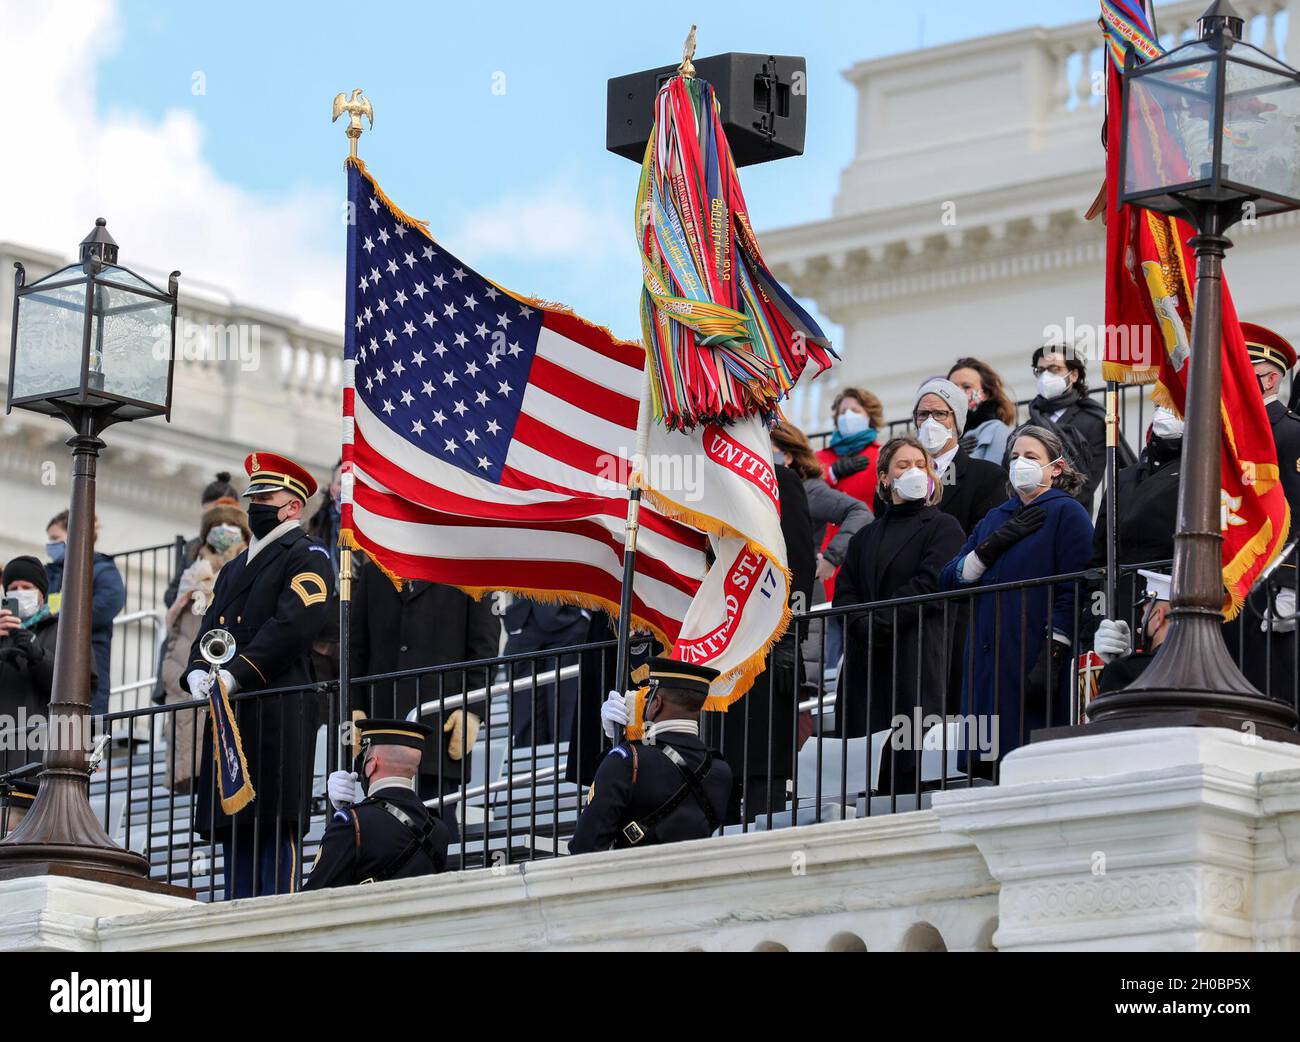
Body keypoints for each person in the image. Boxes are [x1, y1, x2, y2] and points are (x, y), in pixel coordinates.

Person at [183, 451, 333, 899]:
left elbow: (292, 626)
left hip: (277, 707)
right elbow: (208, 628)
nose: (256, 505)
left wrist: (235, 675)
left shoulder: (308, 556)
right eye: (254, 496)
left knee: (273, 826)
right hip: (234, 715)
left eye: (267, 496)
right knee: (237, 834)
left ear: (293, 507)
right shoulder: (231, 570)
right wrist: (196, 671)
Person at [941, 425, 1094, 768]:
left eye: (1030, 456)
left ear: (1056, 468)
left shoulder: (1068, 513)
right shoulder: (995, 518)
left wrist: (1053, 654)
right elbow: (950, 579)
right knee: (985, 766)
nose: (1020, 463)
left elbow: (1075, 590)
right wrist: (988, 549)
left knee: (1026, 757)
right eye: (1014, 457)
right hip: (985, 662)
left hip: (1031, 657)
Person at [833, 437, 965, 792]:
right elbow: (844, 593)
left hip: (915, 655)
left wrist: (879, 621)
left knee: (909, 759)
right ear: (885, 479)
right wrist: (863, 625)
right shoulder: (865, 536)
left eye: (920, 465)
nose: (914, 472)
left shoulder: (943, 526)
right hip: (867, 662)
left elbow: (932, 583)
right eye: (903, 466)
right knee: (865, 763)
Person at [349, 556, 500, 834]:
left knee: (437, 827)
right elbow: (355, 648)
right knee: (382, 829)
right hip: (384, 727)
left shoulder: (472, 569)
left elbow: (484, 650)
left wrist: (472, 709)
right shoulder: (374, 572)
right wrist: (354, 706)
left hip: (439, 729)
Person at [718, 460, 816, 824]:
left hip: (769, 648)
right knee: (716, 776)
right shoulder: (703, 479)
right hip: (718, 650)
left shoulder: (778, 479)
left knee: (766, 774)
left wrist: (789, 633)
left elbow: (800, 561)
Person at [574, 658, 732, 853]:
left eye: (648, 698)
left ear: (656, 703)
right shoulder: (720, 769)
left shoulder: (627, 760)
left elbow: (585, 845)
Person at [1225, 322, 1300, 702]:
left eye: (1245, 373)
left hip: (1271, 588)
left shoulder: (1290, 433)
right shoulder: (1228, 435)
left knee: (1274, 695)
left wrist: (1291, 583)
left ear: (1271, 379)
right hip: (1231, 583)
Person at [159, 501, 249, 793]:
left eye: (233, 527)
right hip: (189, 669)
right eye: (218, 527)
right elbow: (175, 632)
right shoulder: (190, 577)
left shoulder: (247, 570)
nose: (225, 532)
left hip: (228, 668)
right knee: (191, 754)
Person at [304, 718, 449, 889]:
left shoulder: (354, 823)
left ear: (372, 765)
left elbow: (314, 893)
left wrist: (345, 817)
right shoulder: (439, 828)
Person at [1088, 402, 1182, 637]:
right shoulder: (1124, 477)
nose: (1166, 411)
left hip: (1168, 600)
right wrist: (1092, 621)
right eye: (1162, 404)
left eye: (1176, 404)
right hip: (1122, 601)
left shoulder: (1206, 472)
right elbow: (1100, 554)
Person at [771, 419, 872, 590]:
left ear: (787, 456)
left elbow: (860, 512)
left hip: (803, 587)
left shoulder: (809, 490)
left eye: (767, 449)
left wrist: (831, 558)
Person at [45, 510, 125, 719]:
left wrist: (65, 620)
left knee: (88, 716)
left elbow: (110, 601)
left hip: (90, 652)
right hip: (51, 653)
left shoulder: (101, 569)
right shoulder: (51, 573)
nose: (50, 544)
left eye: (55, 538)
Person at [904, 377, 1007, 536]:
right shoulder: (900, 475)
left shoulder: (988, 477)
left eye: (940, 414)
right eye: (923, 414)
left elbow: (987, 539)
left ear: (957, 420)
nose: (930, 422)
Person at [1026, 345, 1114, 512]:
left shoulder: (1093, 421)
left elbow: (1087, 484)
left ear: (1073, 375)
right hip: (1027, 516)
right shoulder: (1029, 425)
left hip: (1070, 515)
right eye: (1041, 370)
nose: (1046, 376)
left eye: (1054, 369)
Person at [502, 598, 591, 747]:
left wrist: (585, 613)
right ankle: (530, 769)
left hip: (571, 620)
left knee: (567, 721)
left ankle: (567, 768)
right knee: (526, 726)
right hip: (523, 623)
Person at [0, 556, 60, 756]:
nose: (20, 593)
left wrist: (38, 656)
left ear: (42, 594)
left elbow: (78, 687)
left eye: (27, 587)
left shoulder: (61, 631)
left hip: (36, 748)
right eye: (14, 588)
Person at [163, 471, 240, 609]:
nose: (212, 519)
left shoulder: (246, 547)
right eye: (208, 513)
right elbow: (171, 595)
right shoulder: (194, 547)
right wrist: (192, 594)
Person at [1093, 570, 1171, 693]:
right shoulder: (1209, 669)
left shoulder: (1125, 671)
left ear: (1158, 616)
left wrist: (1117, 663)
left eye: (1145, 612)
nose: (1141, 619)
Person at [948, 357, 1017, 465]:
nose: (957, 392)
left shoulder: (996, 430)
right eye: (952, 387)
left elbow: (993, 477)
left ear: (985, 393)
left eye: (966, 387)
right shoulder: (942, 434)